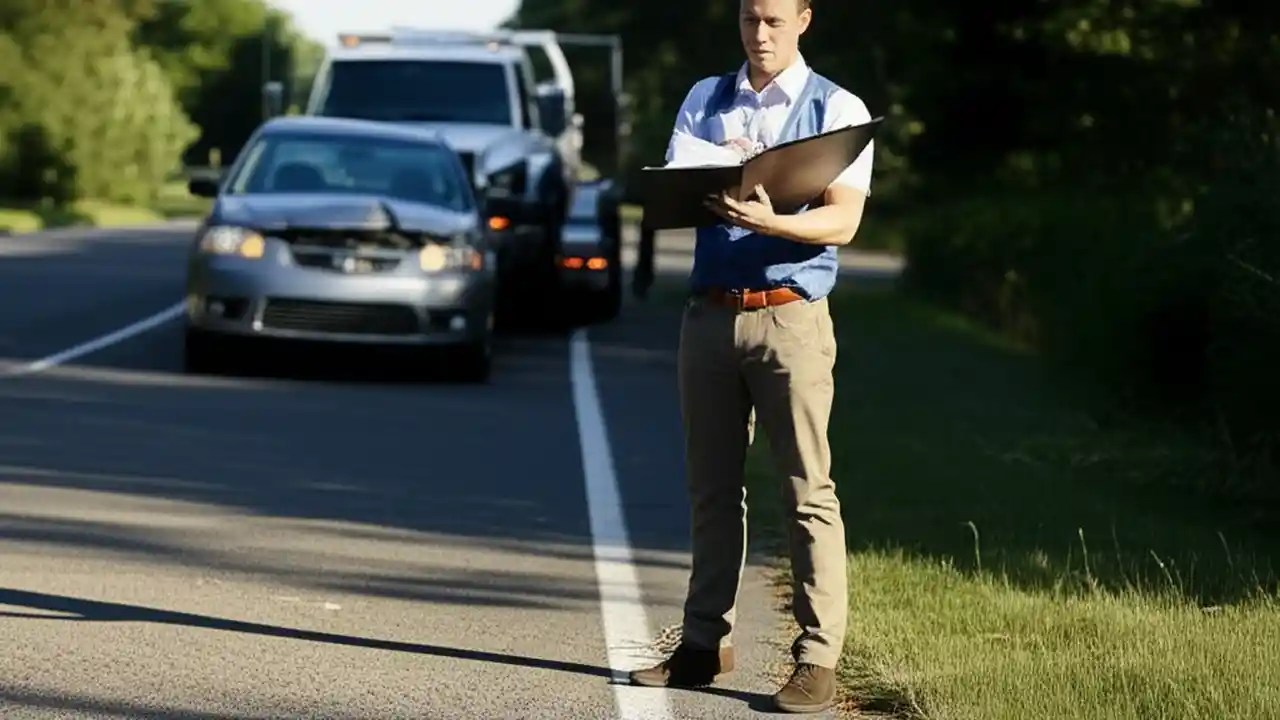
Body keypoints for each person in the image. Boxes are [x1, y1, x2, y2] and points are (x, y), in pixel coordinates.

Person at [627, 0, 874, 713]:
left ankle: (817, 658)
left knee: (806, 489)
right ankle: (704, 644)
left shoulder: (837, 107)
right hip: (708, 316)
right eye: (746, 20)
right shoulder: (705, 97)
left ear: (804, 19)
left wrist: (773, 221)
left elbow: (845, 218)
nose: (758, 36)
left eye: (772, 20)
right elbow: (675, 185)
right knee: (711, 489)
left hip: (790, 317)